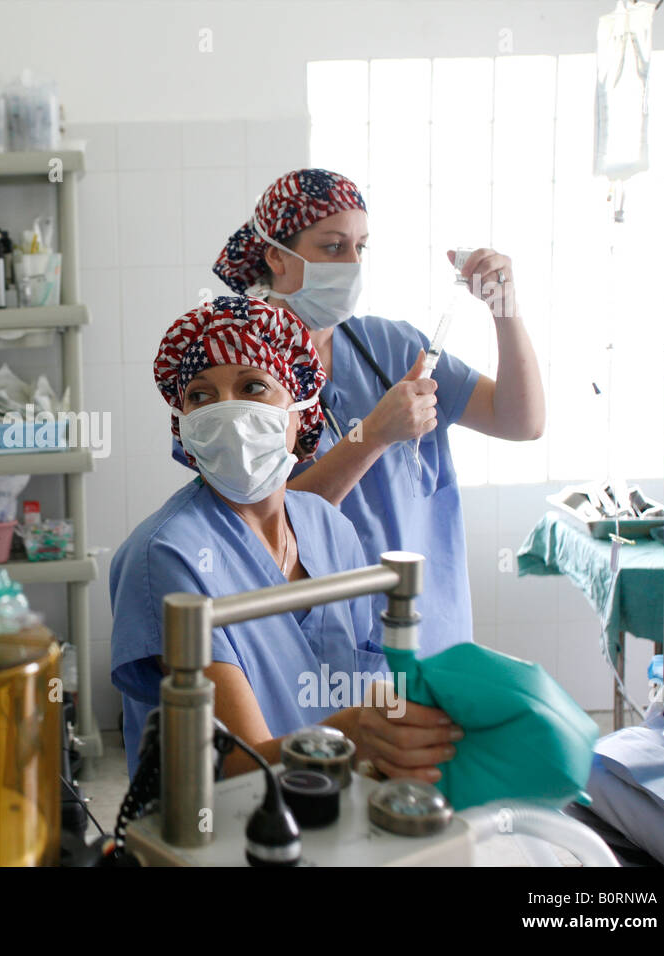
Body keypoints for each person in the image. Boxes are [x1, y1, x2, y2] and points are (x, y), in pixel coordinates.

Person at [110, 295, 464, 779]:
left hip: (335, 817)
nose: (228, 411)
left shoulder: (327, 527)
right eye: (200, 395)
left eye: (253, 386)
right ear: (184, 427)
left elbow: (366, 681)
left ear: (301, 413)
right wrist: (360, 731)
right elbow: (239, 764)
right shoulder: (167, 556)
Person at [211, 168, 545, 655]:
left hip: (430, 631)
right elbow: (260, 523)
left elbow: (522, 422)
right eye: (332, 247)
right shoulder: (240, 373)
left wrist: (505, 308)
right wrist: (374, 435)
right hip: (319, 645)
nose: (351, 264)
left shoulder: (392, 346)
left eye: (360, 247)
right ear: (276, 258)